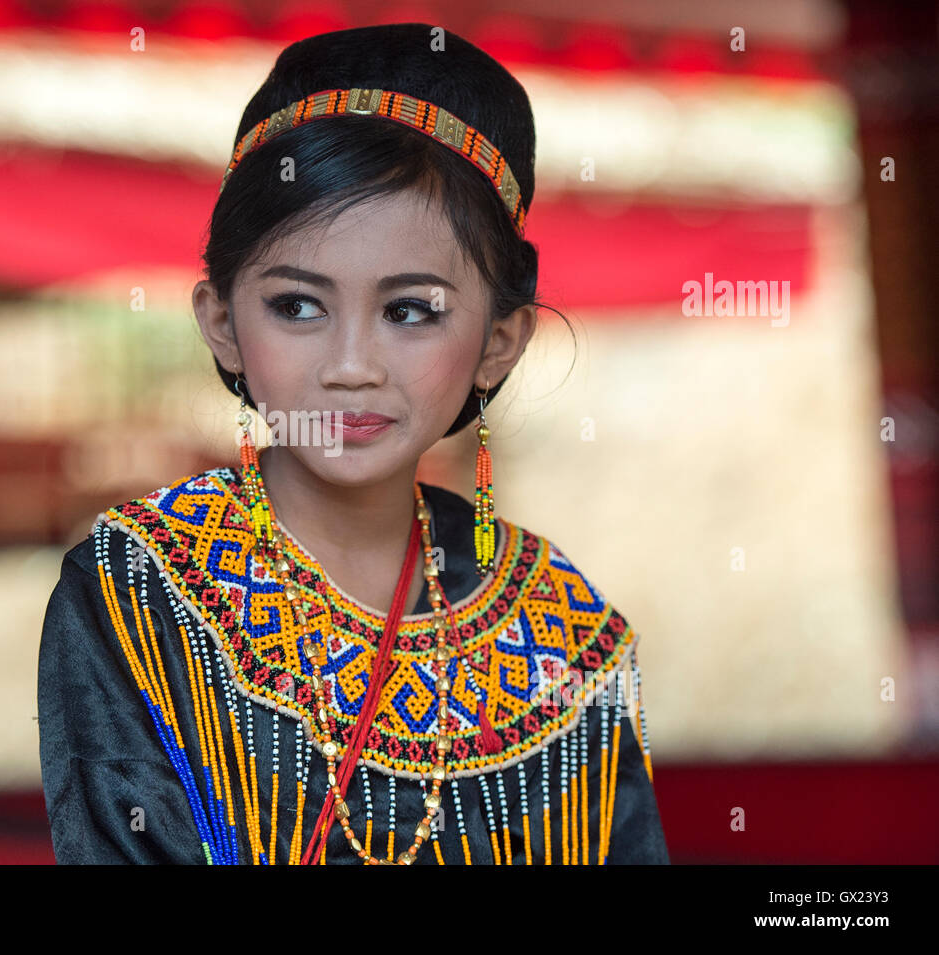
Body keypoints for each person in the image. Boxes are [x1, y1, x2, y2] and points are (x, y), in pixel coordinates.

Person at [38, 22, 670, 865]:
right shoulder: (140, 594)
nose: (350, 366)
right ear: (222, 323)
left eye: (410, 311)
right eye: (298, 306)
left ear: (499, 341)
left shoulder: (564, 629)